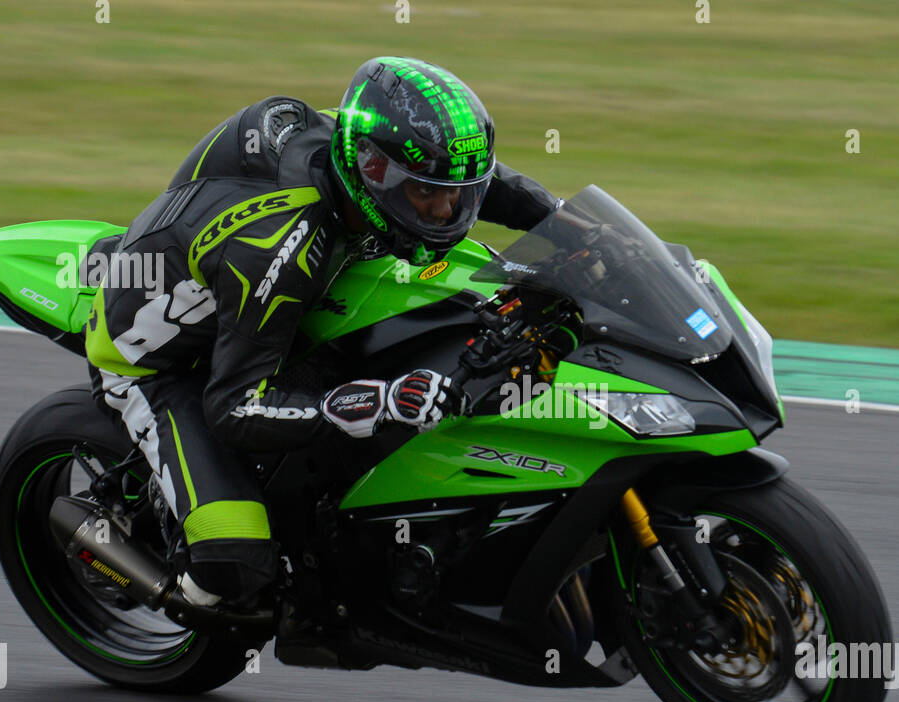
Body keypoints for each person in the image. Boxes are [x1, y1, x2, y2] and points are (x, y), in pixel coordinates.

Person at [83, 56, 559, 612]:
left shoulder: (357, 145)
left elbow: (485, 185)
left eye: (455, 193)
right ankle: (171, 590)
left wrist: (574, 225)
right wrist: (379, 402)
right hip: (160, 367)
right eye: (427, 195)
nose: (447, 208)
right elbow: (234, 406)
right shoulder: (278, 251)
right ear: (375, 176)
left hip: (248, 312)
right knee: (233, 563)